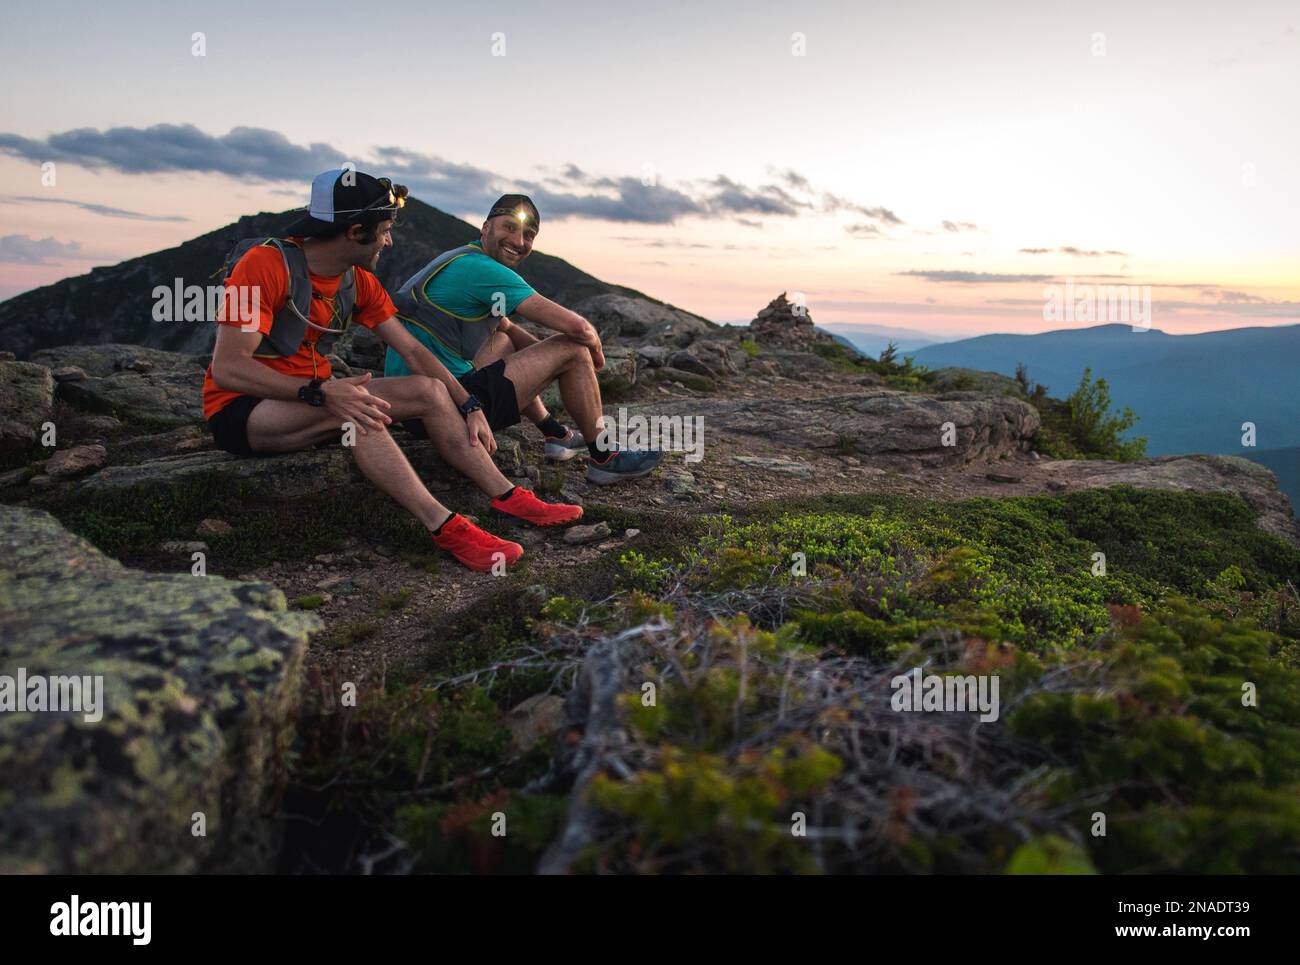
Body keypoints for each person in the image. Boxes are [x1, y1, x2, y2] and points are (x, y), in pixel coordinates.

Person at [202, 169, 585, 573]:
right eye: (384, 230)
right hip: (242, 411)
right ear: (355, 231)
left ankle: (507, 497)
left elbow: (414, 350)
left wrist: (469, 403)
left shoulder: (358, 282)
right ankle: (444, 526)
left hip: (310, 397)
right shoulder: (262, 265)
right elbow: (228, 369)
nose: (389, 240)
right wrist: (321, 392)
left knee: (429, 390)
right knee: (357, 408)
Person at [384, 194, 662, 485]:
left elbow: (509, 329)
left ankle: (555, 433)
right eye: (509, 228)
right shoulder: (483, 270)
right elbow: (578, 328)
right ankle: (605, 458)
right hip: (442, 408)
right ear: (486, 228)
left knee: (503, 340)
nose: (519, 241)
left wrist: (548, 367)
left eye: (528, 235)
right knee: (574, 348)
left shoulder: (456, 259)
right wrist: (588, 359)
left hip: (412, 406)